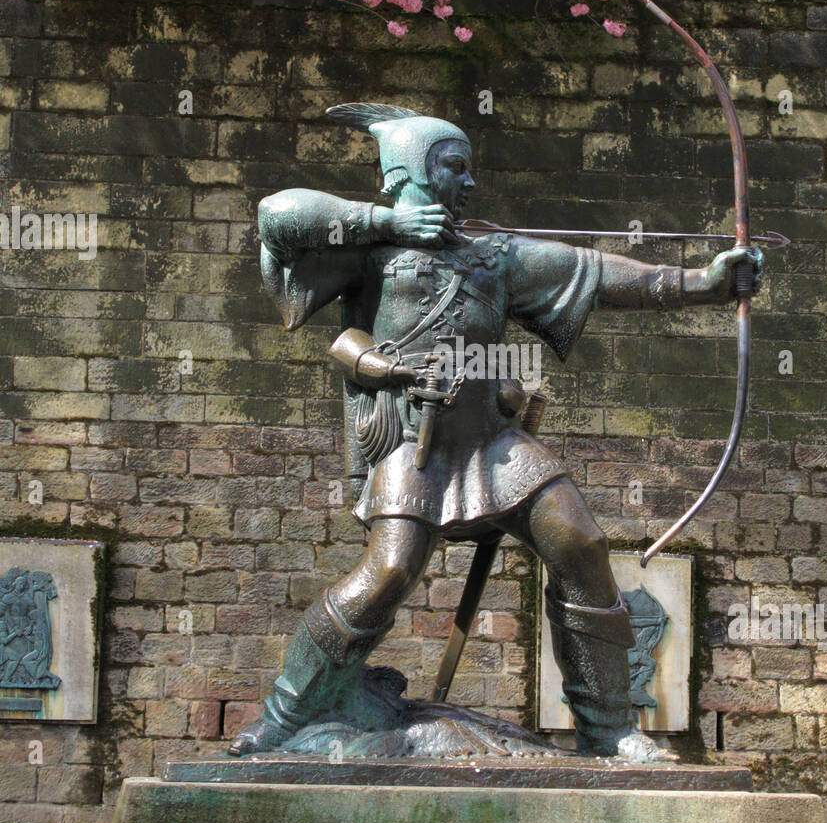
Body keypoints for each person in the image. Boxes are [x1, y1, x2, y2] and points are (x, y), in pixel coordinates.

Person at [230, 103, 763, 761]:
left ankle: (607, 726)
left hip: (490, 439)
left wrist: (701, 285)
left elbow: (595, 273)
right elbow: (276, 216)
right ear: (407, 174)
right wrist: (386, 223)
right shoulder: (368, 248)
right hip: (411, 440)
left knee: (579, 540)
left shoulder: (494, 254)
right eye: (453, 167)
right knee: (390, 569)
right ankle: (285, 715)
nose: (468, 183)